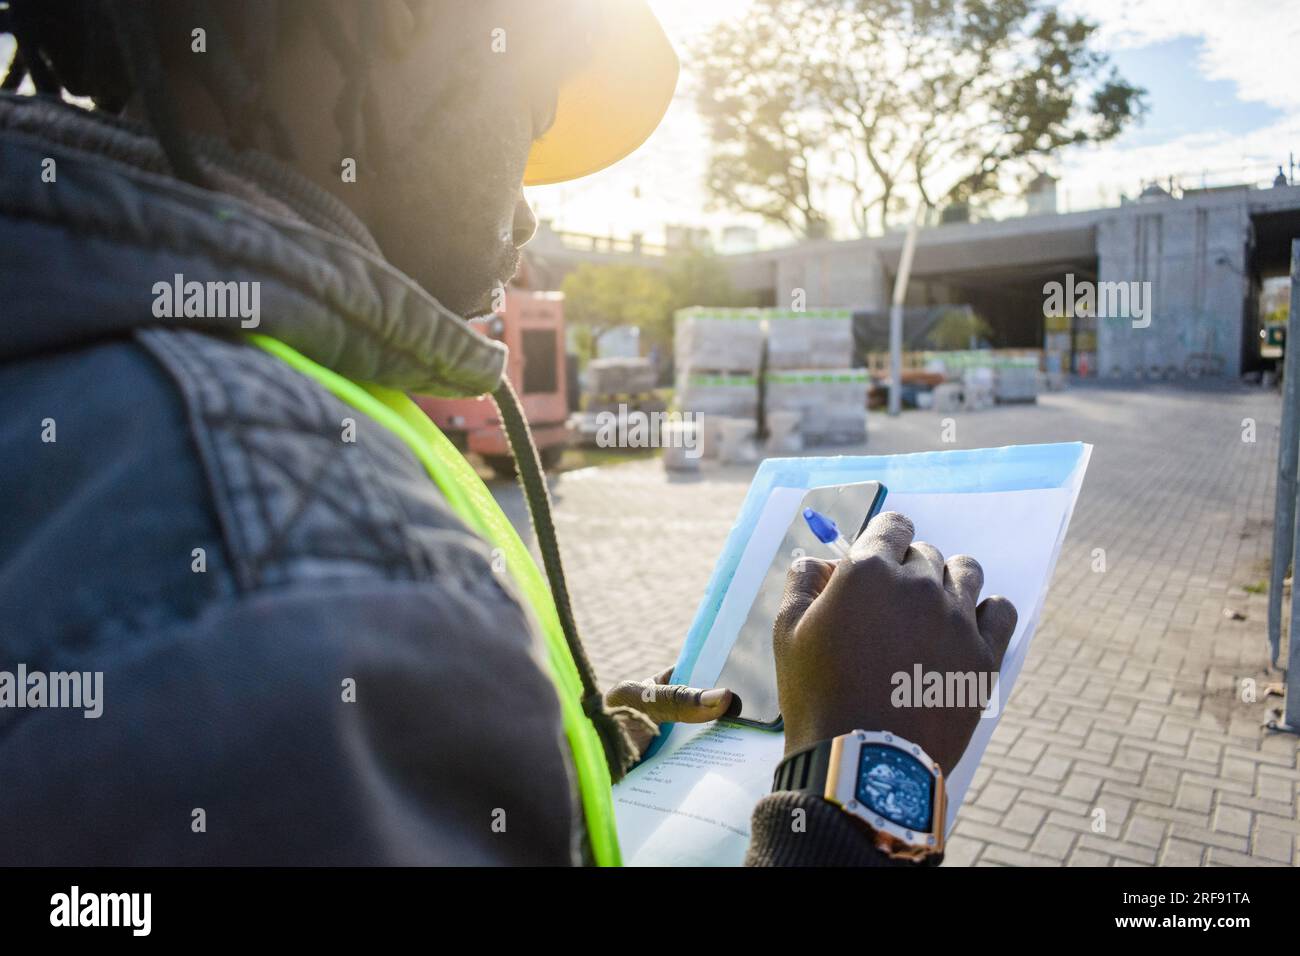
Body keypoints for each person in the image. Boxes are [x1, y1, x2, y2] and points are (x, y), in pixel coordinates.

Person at [0, 0, 1016, 865]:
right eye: (530, 105)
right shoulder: (308, 565)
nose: (529, 206)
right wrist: (857, 780)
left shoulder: (126, 355)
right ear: (392, 24)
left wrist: (547, 745)